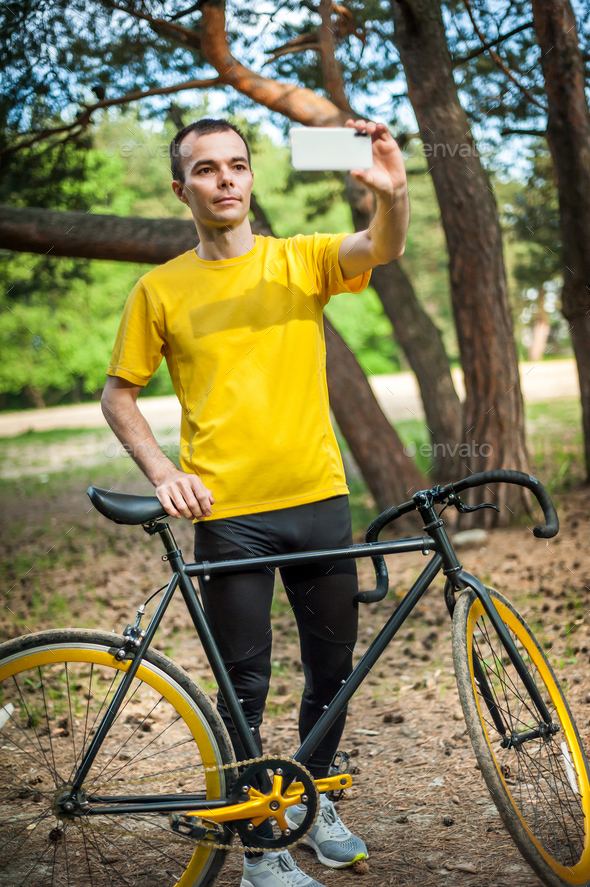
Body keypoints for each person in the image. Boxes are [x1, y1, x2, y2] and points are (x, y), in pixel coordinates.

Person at [101, 115, 409, 887]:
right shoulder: (159, 288)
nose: (226, 179)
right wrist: (161, 471)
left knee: (332, 671)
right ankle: (262, 847)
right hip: (228, 516)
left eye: (237, 165)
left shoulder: (298, 260)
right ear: (183, 189)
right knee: (245, 686)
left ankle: (310, 804)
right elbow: (118, 395)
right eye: (206, 169)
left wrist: (391, 194)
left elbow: (381, 246)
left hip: (318, 500)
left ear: (251, 178)